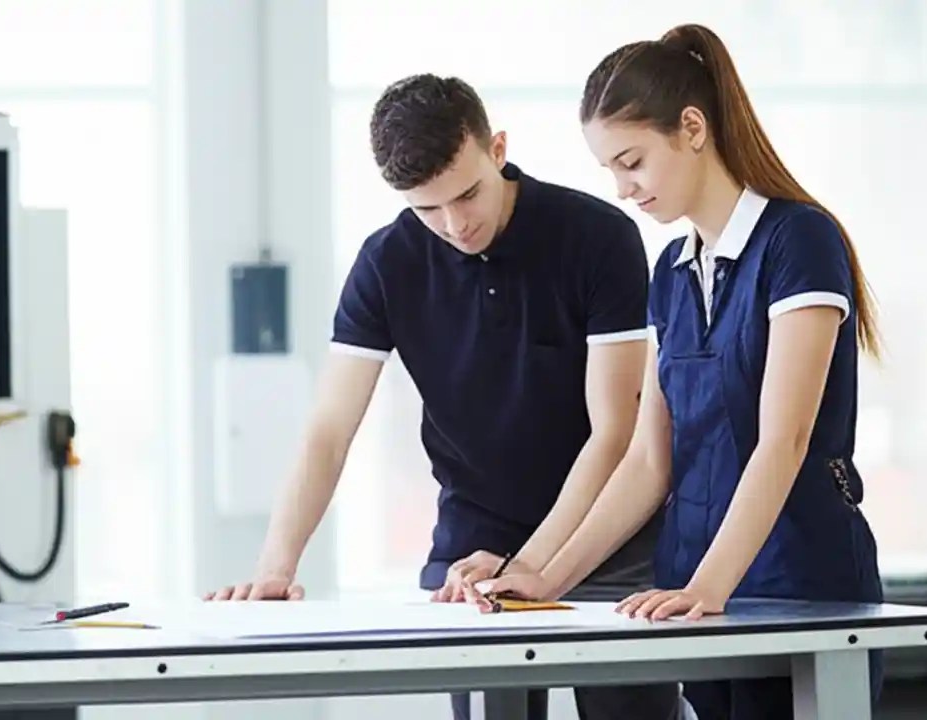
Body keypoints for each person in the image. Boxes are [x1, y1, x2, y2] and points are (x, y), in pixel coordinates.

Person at [203, 74, 682, 720]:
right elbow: (328, 433)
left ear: (498, 149)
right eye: (428, 209)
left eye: (467, 194)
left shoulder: (597, 237)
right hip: (470, 548)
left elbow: (615, 433)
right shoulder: (386, 264)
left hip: (608, 541)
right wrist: (274, 567)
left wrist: (529, 567)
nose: (456, 224)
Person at [473, 23, 886, 720]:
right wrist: (541, 577)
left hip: (797, 584)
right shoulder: (671, 270)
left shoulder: (798, 241)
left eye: (631, 161)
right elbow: (645, 463)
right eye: (609, 170)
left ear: (692, 128)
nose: (623, 188)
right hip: (693, 594)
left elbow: (782, 440)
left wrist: (711, 585)